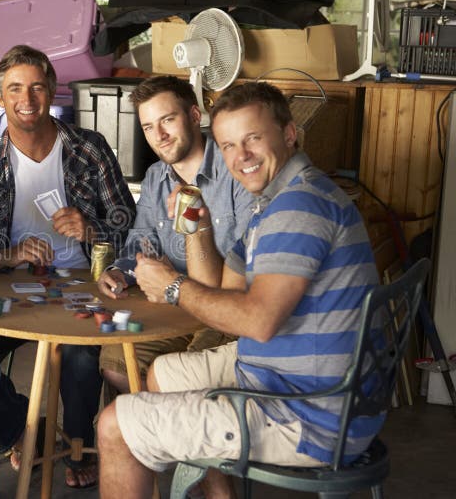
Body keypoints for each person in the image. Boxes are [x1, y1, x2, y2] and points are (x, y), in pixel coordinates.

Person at [97, 82, 380, 498]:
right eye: (228, 145)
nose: (239, 157)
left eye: (252, 139)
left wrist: (174, 286)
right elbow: (223, 289)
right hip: (296, 379)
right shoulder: (277, 198)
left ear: (289, 135)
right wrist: (197, 222)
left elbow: (257, 320)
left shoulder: (298, 208)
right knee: (163, 372)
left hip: (308, 414)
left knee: (113, 425)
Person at [0, 44, 136, 488]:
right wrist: (7, 255)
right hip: (12, 287)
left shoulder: (89, 149)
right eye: (15, 88)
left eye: (37, 87)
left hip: (83, 281)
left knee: (78, 356)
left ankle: (76, 445)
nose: (27, 98)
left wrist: (90, 229)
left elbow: (129, 225)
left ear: (53, 90)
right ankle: (18, 430)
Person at [95, 75, 253, 394]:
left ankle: (165, 427)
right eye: (149, 127)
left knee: (182, 378)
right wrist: (118, 272)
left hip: (228, 308)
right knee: (115, 363)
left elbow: (247, 268)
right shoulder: (155, 177)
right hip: (173, 304)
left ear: (195, 116)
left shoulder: (235, 168)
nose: (160, 136)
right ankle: (149, 432)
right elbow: (142, 244)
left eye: (167, 120)